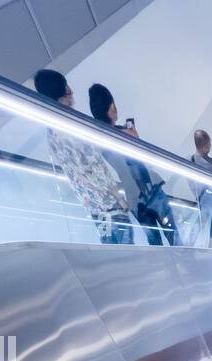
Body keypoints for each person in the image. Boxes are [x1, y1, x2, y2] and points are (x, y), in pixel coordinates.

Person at [33, 69, 135, 244]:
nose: (71, 90)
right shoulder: (71, 126)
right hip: (110, 206)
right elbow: (93, 168)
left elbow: (75, 174)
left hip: (94, 209)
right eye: (66, 86)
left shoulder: (51, 131)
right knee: (128, 253)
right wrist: (119, 198)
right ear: (63, 91)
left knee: (115, 257)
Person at [87, 83, 177, 245]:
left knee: (155, 243)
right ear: (110, 106)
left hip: (134, 198)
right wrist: (132, 134)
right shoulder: (121, 133)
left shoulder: (99, 137)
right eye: (112, 104)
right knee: (174, 236)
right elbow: (139, 149)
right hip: (151, 190)